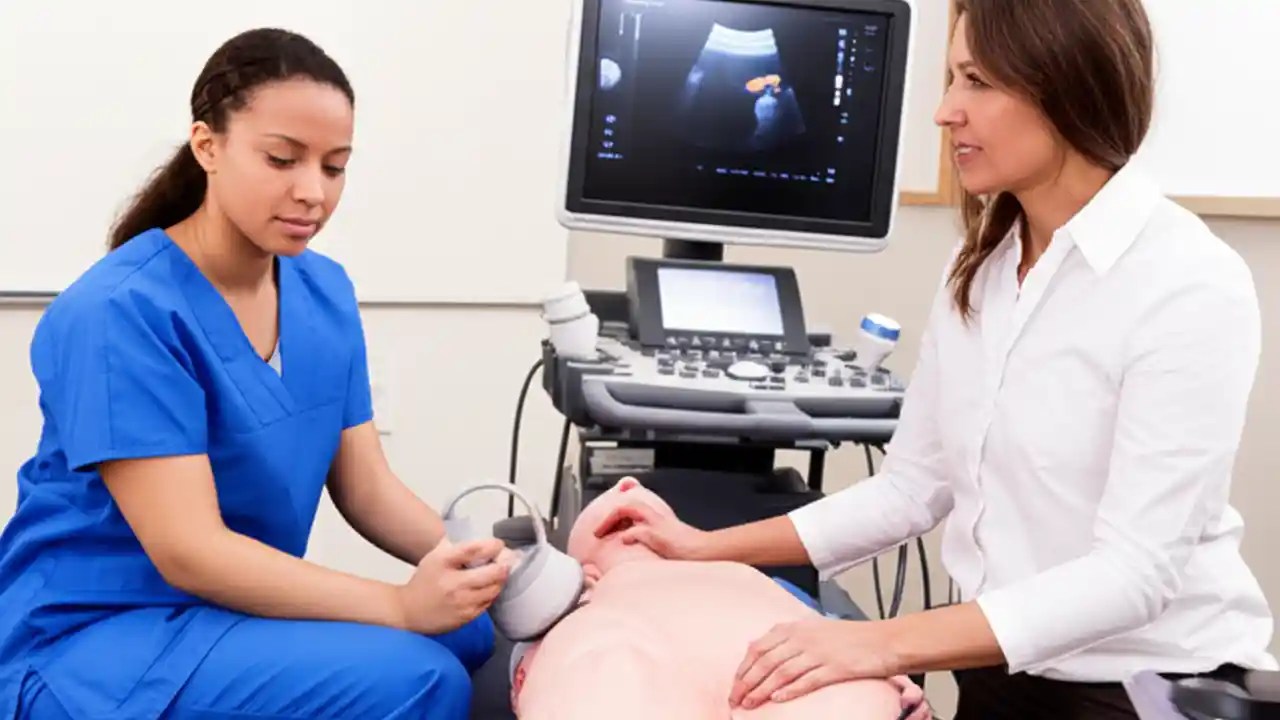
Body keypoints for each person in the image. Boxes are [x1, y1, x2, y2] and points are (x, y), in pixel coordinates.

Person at [596, 1, 1278, 717]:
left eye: (976, 81)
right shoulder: (981, 263)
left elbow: (1134, 574)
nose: (945, 111)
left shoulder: (1187, 280)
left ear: (1069, 85)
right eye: (951, 79)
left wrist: (879, 643)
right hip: (998, 671)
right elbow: (911, 489)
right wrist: (704, 547)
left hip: (1141, 689)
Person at [0, 28, 510, 720]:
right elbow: (190, 553)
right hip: (98, 636)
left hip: (231, 613)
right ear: (207, 146)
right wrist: (396, 605)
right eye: (281, 159)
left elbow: (366, 487)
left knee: (474, 630)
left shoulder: (323, 292)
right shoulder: (121, 313)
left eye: (334, 167)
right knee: (421, 678)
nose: (312, 193)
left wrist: (494, 565)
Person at [509, 476, 929, 720]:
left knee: (838, 689)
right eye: (614, 530)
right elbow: (530, 667)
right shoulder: (588, 604)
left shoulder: (743, 577)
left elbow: (842, 640)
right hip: (630, 665)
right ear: (583, 574)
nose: (627, 484)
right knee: (609, 661)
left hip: (787, 673)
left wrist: (886, 674)